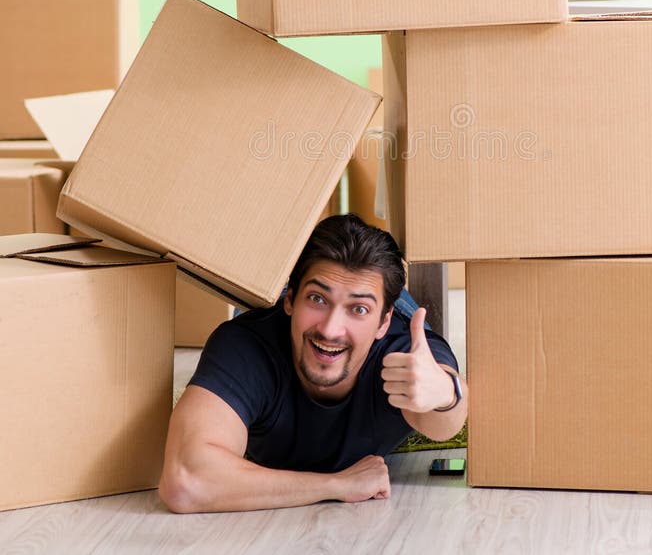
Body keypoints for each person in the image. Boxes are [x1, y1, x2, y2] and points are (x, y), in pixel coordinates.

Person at [159, 214, 468, 512]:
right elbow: (186, 481)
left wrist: (443, 393)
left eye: (357, 309)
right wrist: (335, 485)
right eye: (318, 299)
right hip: (279, 315)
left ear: (383, 324)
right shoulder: (248, 347)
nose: (330, 329)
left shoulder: (401, 352)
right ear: (291, 300)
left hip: (392, 306)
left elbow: (448, 420)